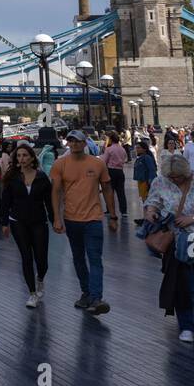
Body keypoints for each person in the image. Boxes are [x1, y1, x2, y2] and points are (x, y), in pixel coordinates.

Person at [144, 154, 194, 343]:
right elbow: (153, 201)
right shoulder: (161, 182)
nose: (174, 180)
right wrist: (151, 212)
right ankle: (186, 326)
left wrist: (193, 218)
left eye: (177, 176)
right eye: (170, 177)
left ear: (186, 173)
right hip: (178, 240)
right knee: (183, 284)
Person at [51, 129, 117, 315]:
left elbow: (107, 188)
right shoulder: (60, 164)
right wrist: (56, 217)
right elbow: (56, 192)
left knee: (95, 259)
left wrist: (113, 216)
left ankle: (96, 298)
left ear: (84, 143)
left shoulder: (97, 163)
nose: (74, 144)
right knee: (78, 258)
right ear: (68, 143)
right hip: (71, 219)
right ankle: (86, 293)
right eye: (71, 141)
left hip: (93, 219)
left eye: (78, 141)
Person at [0, 141, 53, 308]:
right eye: (19, 156)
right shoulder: (12, 178)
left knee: (42, 259)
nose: (21, 159)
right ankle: (32, 293)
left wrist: (55, 221)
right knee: (26, 257)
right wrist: (4, 223)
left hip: (39, 222)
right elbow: (5, 202)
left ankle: (40, 279)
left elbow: (49, 202)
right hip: (18, 222)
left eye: (25, 155)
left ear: (32, 158)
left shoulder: (42, 177)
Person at [101, 131, 129, 219]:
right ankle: (124, 211)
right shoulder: (122, 149)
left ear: (111, 140)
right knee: (121, 192)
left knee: (110, 192)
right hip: (120, 171)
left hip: (111, 171)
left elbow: (104, 161)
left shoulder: (109, 149)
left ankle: (109, 209)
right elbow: (125, 159)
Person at [132, 140, 158, 224]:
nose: (137, 149)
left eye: (139, 148)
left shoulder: (146, 158)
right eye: (136, 148)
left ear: (144, 149)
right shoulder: (141, 158)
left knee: (147, 200)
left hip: (146, 182)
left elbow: (152, 170)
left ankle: (148, 218)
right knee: (144, 200)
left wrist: (150, 182)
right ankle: (146, 217)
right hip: (141, 182)